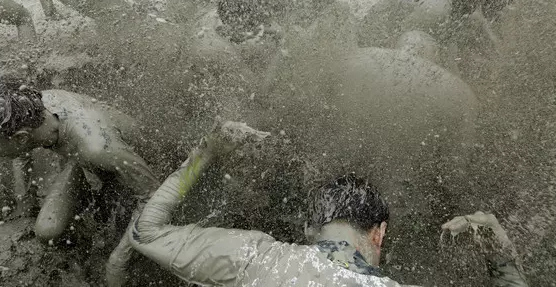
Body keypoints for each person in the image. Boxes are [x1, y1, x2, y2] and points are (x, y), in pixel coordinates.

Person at [129, 120, 527, 286]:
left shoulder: (254, 258)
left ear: (308, 228)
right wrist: (497, 250)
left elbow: (147, 231)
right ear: (379, 233)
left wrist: (206, 151)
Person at [0, 76, 160, 287]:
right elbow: (22, 150)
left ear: (21, 138)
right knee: (48, 230)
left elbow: (154, 196)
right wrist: (28, 197)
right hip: (85, 158)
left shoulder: (98, 148)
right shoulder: (35, 108)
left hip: (132, 162)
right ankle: (84, 224)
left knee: (113, 266)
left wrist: (119, 259)